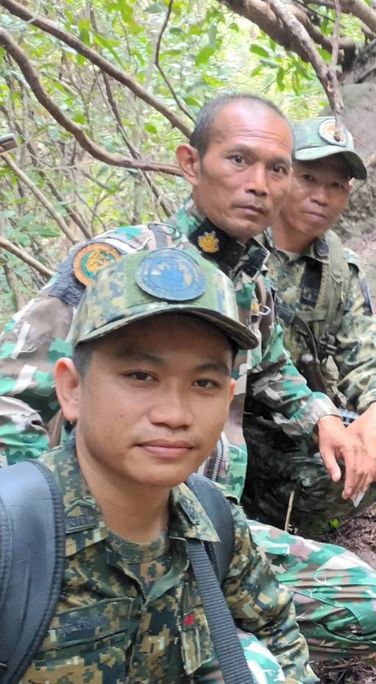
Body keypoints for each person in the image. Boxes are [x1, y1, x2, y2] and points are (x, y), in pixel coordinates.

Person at [0, 94, 376, 658]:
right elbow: (15, 395)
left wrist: (323, 417)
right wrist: (31, 540)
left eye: (277, 170)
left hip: (211, 523)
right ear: (191, 163)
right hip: (100, 527)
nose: (259, 184)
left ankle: (190, 637)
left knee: (375, 608)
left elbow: (271, 367)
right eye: (239, 161)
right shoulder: (124, 261)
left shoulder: (252, 282)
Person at [17, 248, 316, 682]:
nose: (174, 414)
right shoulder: (17, 538)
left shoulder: (211, 517)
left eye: (204, 383)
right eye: (141, 376)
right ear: (72, 389)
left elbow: (277, 632)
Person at [239, 116, 376, 656]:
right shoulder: (237, 243)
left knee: (354, 473)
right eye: (311, 179)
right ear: (283, 176)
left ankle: (273, 532)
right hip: (224, 428)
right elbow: (254, 362)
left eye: (337, 185)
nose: (323, 196)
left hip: (296, 434)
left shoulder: (337, 269)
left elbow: (365, 351)